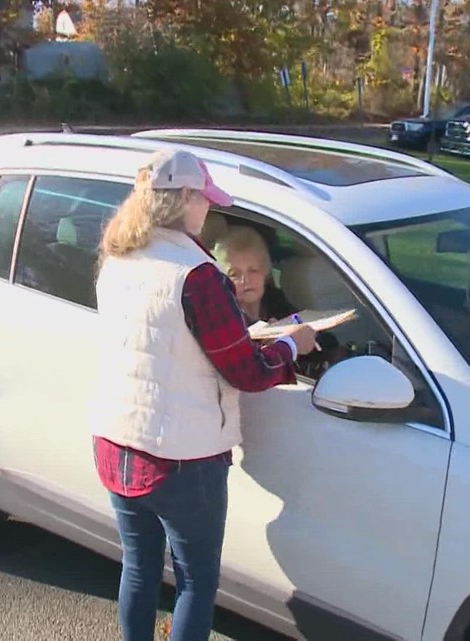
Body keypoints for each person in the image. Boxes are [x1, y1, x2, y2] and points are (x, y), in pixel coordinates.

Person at [91, 148, 319, 641]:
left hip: (115, 442)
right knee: (195, 580)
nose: (209, 213)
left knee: (139, 567)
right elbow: (247, 372)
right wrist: (289, 345)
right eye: (206, 202)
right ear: (187, 198)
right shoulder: (197, 277)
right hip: (182, 460)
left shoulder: (119, 256)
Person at [212, 225, 348, 374]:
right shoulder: (224, 315)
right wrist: (275, 346)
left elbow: (319, 340)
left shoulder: (274, 299)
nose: (245, 280)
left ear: (265, 270)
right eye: (234, 274)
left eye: (253, 270)